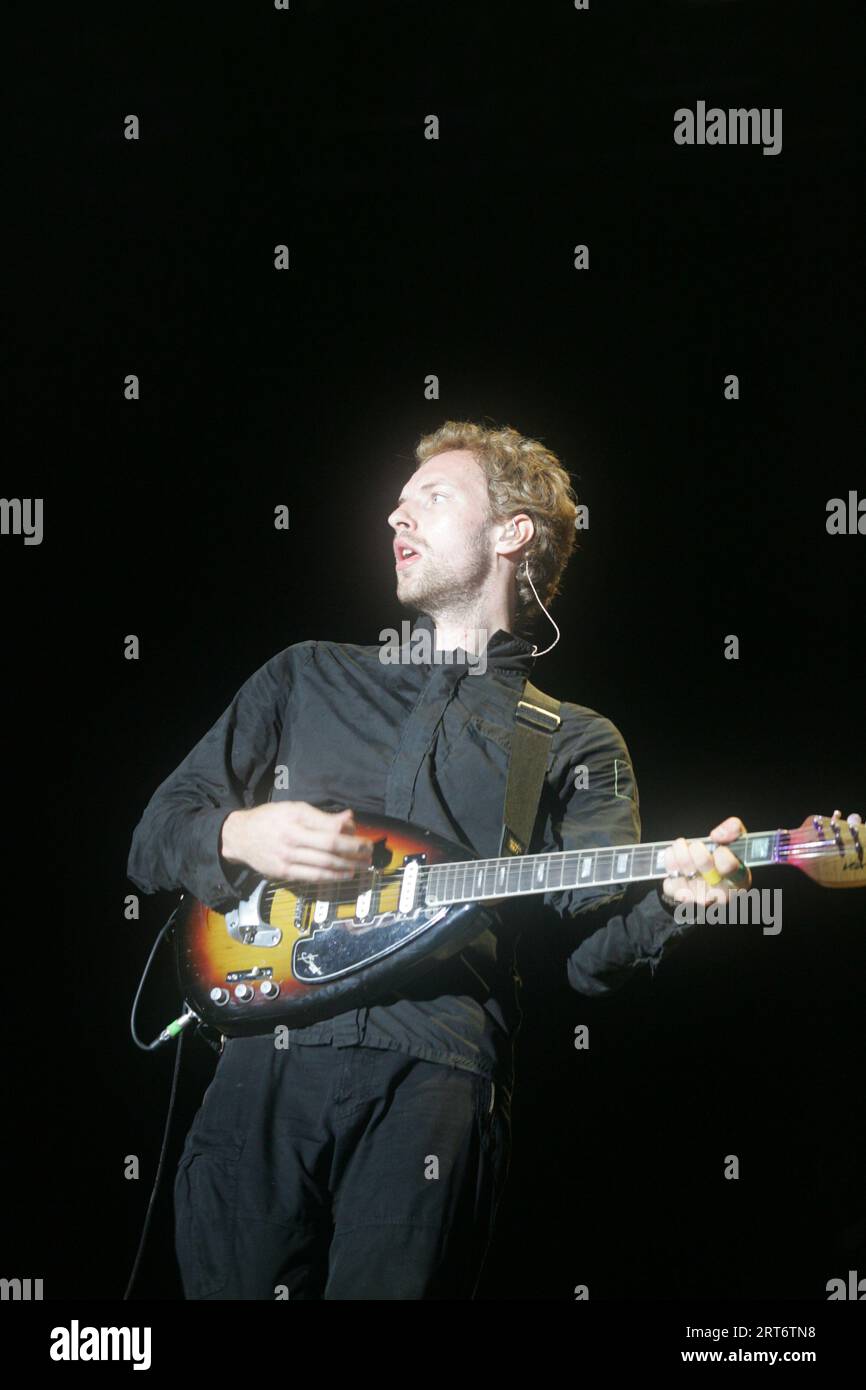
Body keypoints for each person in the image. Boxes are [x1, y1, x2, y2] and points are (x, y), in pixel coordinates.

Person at [127, 419, 751, 1300]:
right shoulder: (306, 676)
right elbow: (158, 830)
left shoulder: (572, 739)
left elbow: (584, 958)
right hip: (266, 1061)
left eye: (432, 496)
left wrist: (682, 902)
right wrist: (241, 836)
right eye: (398, 499)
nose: (395, 514)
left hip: (437, 1083)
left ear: (512, 532)